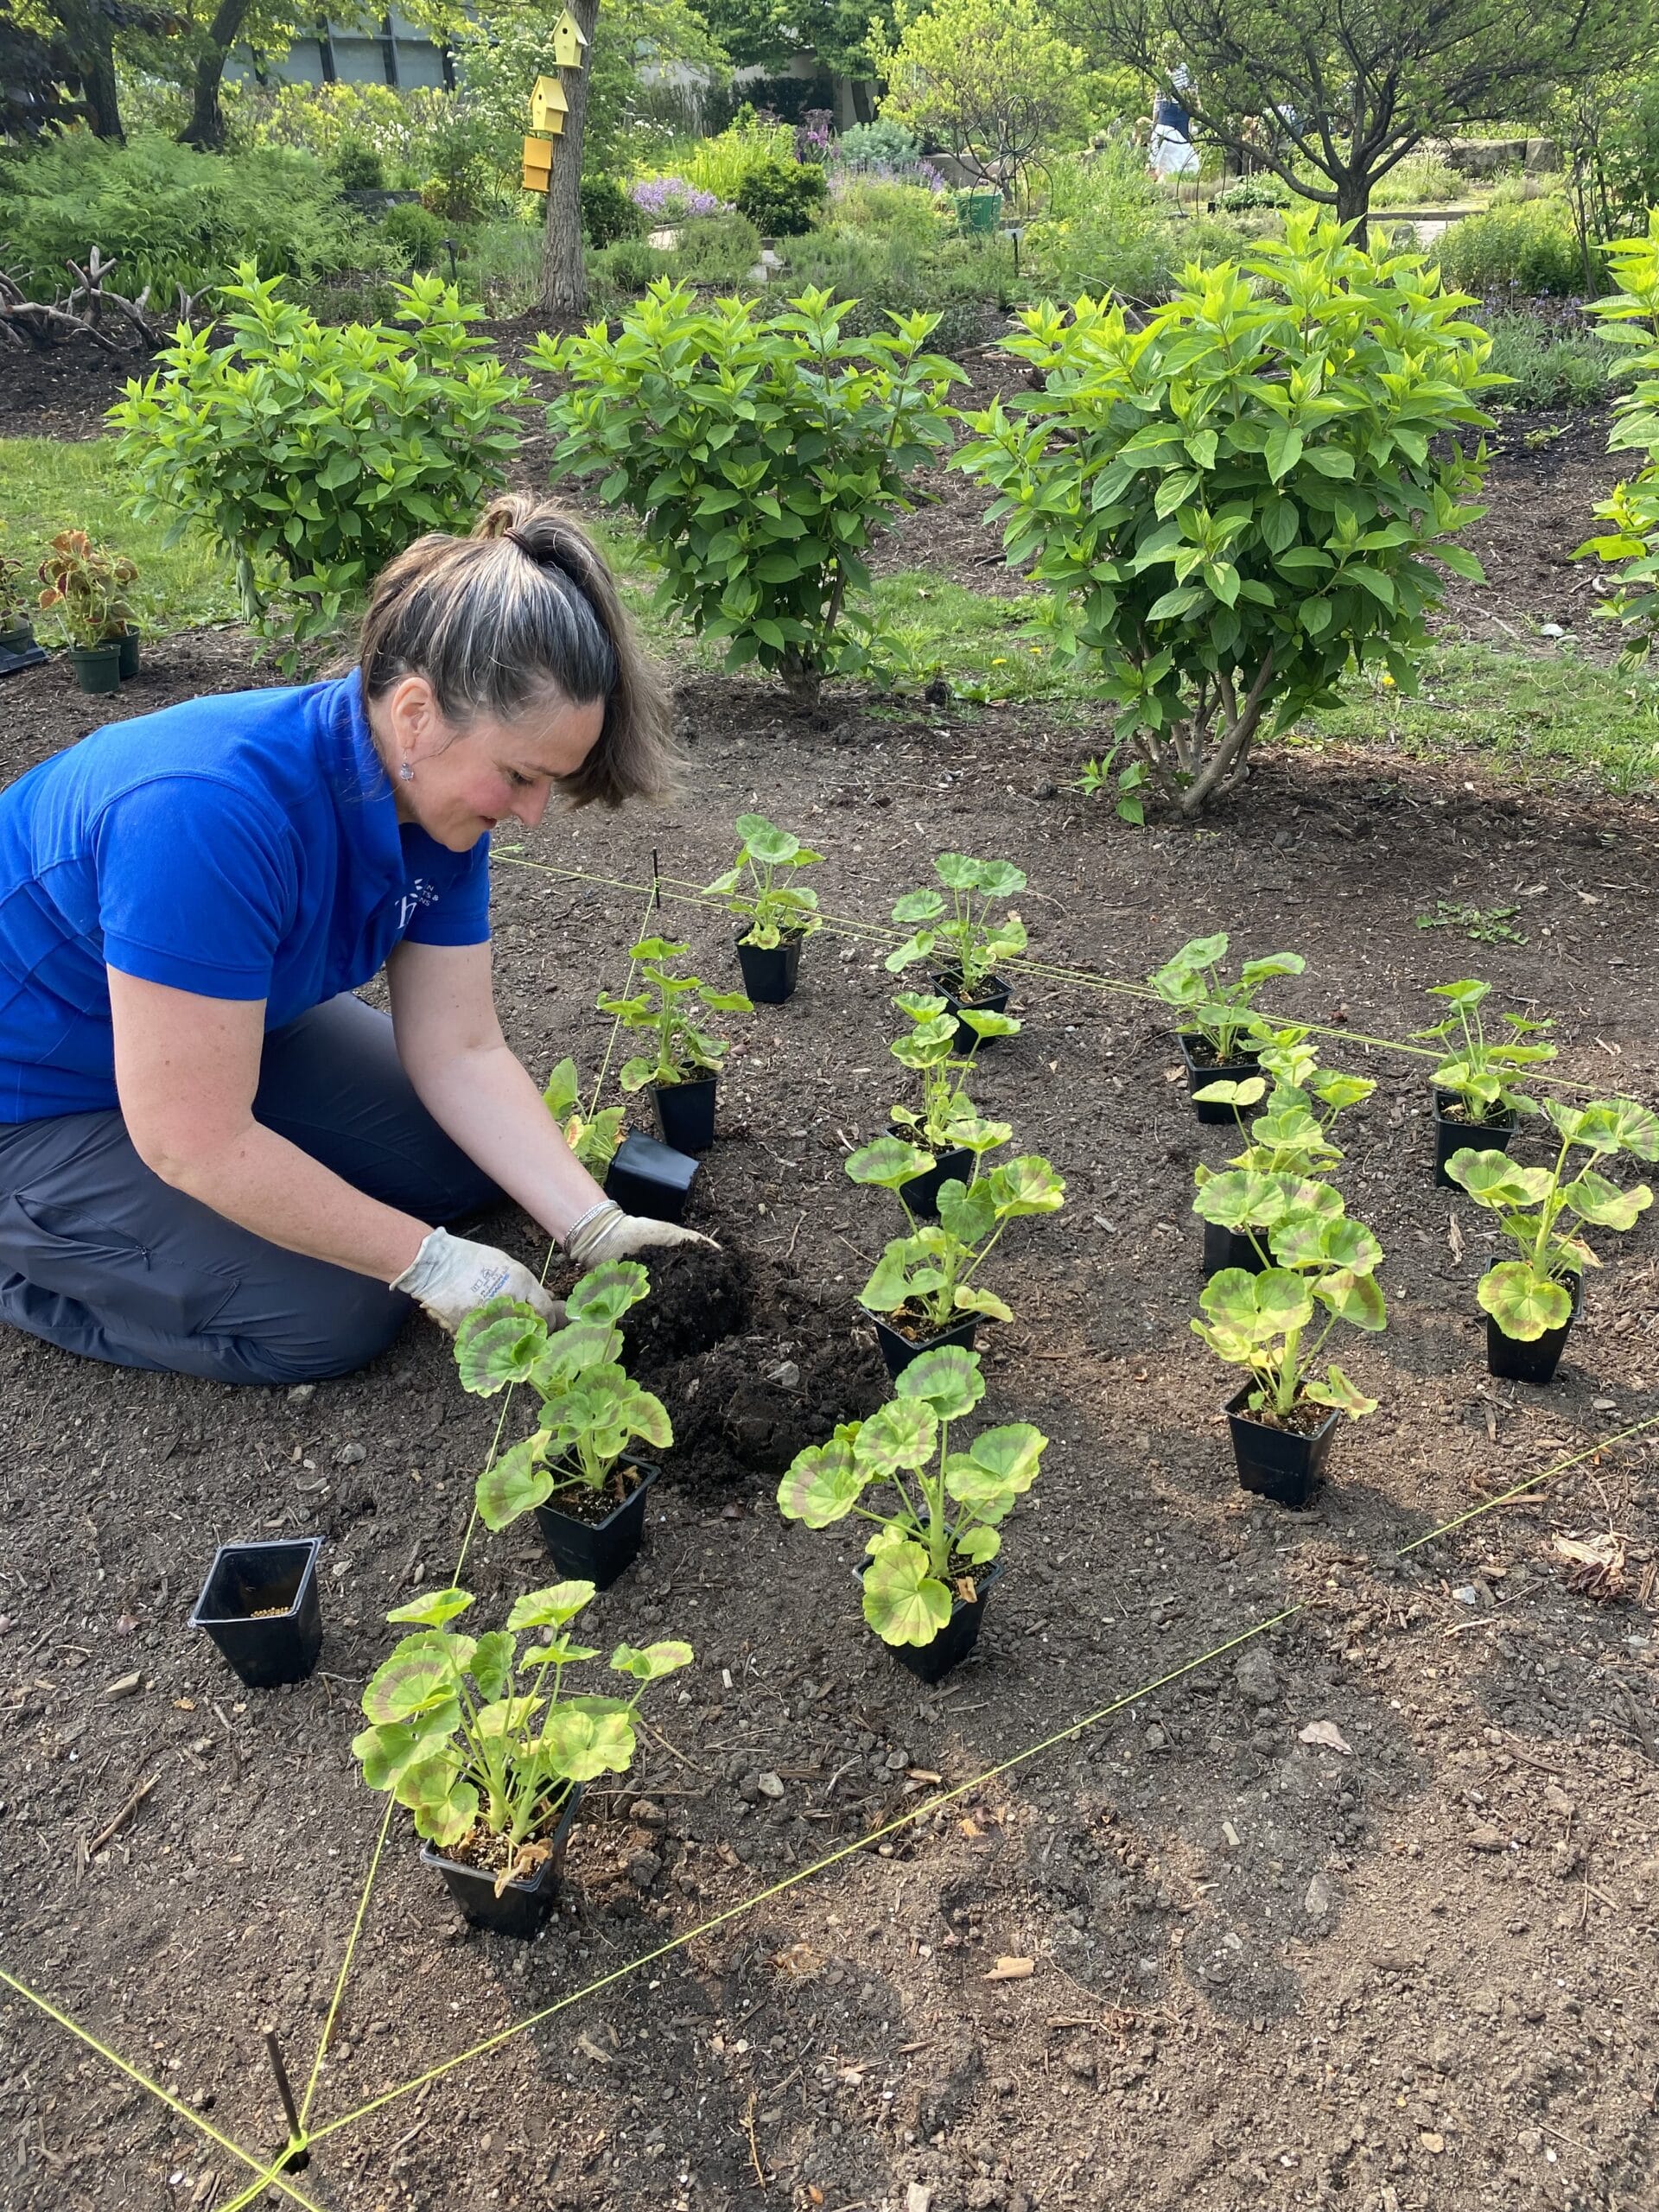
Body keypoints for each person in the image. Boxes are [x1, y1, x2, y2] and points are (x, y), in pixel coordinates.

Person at [0, 496, 709, 1386]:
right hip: (35, 1101)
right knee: (337, 1313)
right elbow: (192, 1138)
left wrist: (594, 1225)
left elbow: (460, 1048)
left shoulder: (434, 806)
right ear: (414, 713)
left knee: (464, 1165)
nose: (530, 814)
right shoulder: (205, 812)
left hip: (209, 1038)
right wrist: (432, 1263)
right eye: (522, 776)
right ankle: (29, 1257)